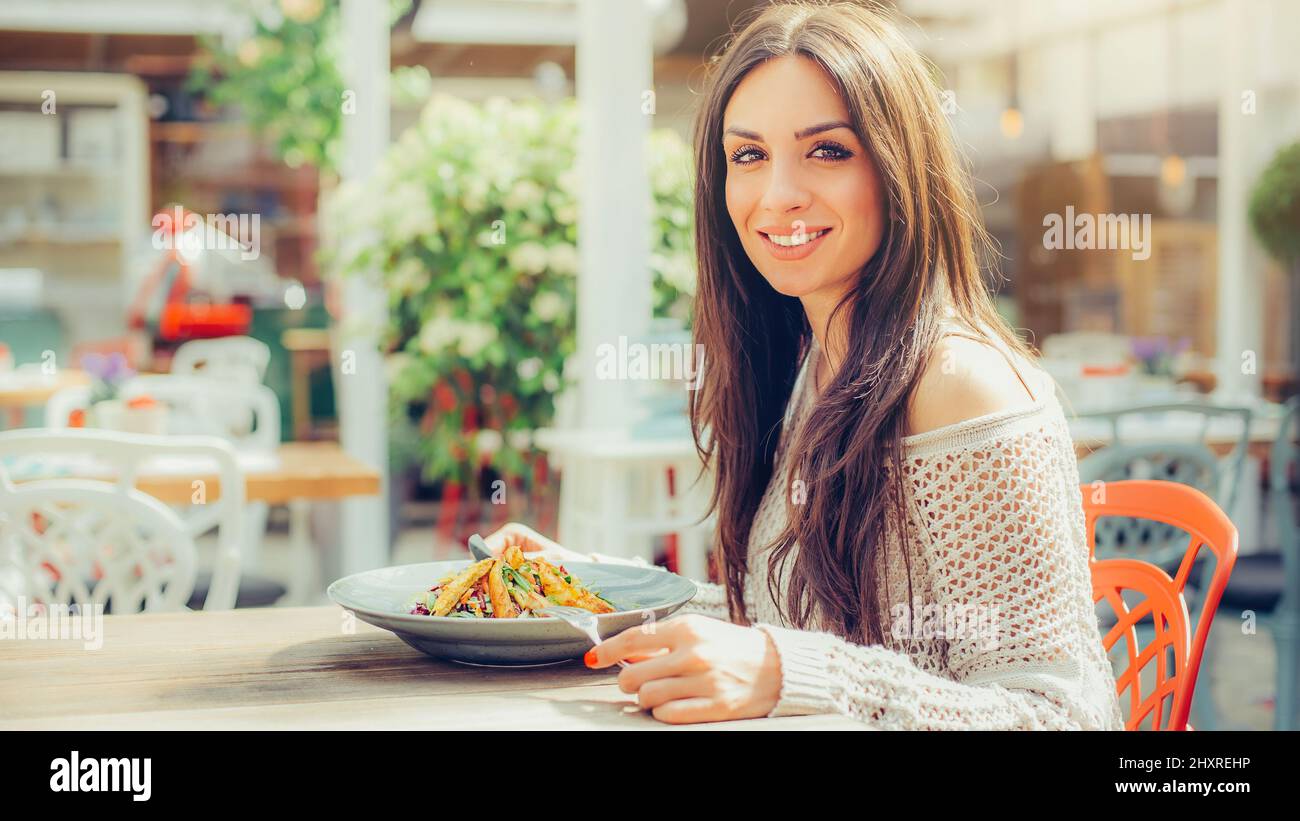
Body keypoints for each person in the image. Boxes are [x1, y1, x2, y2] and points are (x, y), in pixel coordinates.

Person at [485, 0, 1124, 730]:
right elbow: (779, 616)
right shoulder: (817, 365)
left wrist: (792, 672)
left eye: (827, 150)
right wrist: (591, 586)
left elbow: (1066, 715)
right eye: (748, 155)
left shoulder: (961, 387)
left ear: (897, 167)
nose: (779, 194)